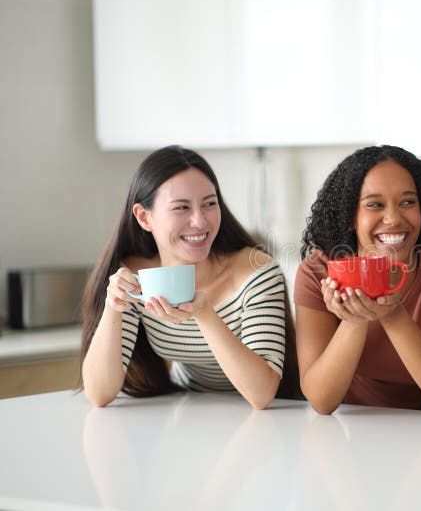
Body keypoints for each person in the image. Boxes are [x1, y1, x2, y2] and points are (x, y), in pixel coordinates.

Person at [80, 145, 300, 409]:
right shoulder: (137, 279)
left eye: (209, 203)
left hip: (271, 418)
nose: (200, 221)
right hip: (189, 411)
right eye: (181, 207)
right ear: (144, 217)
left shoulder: (256, 273)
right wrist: (113, 307)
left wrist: (204, 314)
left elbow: (261, 394)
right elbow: (99, 393)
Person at [294, 145, 421, 420]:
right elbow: (321, 400)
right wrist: (356, 318)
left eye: (408, 202)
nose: (394, 219)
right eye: (375, 205)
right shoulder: (317, 273)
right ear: (350, 216)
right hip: (358, 436)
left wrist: (392, 313)